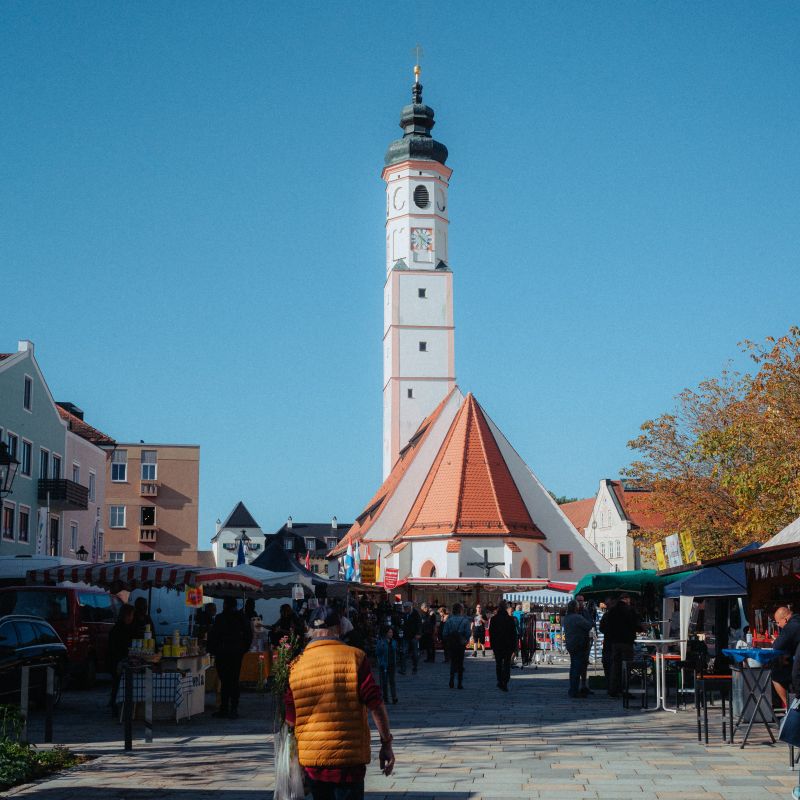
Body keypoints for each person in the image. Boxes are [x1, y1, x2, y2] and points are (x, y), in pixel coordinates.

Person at [285, 606, 395, 800]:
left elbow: (291, 720)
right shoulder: (355, 657)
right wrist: (386, 743)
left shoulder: (296, 665)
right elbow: (375, 704)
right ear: (339, 628)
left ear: (309, 630)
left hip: (313, 760)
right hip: (348, 762)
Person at [207, 596, 253, 719]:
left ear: (225, 605)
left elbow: (213, 636)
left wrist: (213, 650)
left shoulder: (220, 618)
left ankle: (224, 708)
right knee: (234, 680)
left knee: (225, 681)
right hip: (236, 653)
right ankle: (233, 708)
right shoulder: (241, 617)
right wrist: (243, 649)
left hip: (222, 653)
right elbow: (249, 634)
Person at [599, 594, 642, 697]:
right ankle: (625, 690)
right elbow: (635, 625)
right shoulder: (629, 610)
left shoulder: (611, 612)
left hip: (614, 643)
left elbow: (605, 627)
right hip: (626, 642)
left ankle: (613, 690)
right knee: (626, 667)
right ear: (626, 600)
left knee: (615, 666)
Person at [107, 603, 135, 716]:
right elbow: (115, 647)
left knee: (118, 684)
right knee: (117, 684)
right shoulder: (118, 629)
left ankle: (117, 705)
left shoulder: (128, 628)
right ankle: (115, 705)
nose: (131, 618)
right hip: (116, 660)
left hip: (121, 659)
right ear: (125, 615)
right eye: (130, 615)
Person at [563, 600, 594, 698]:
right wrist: (587, 614)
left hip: (571, 645)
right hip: (579, 645)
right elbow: (589, 625)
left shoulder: (567, 617)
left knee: (573, 668)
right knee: (577, 668)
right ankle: (574, 691)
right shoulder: (577, 617)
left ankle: (572, 689)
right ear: (575, 608)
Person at [772, 606, 800, 706]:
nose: (778, 625)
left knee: (776, 676)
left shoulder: (791, 626)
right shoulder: (797, 620)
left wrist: (776, 640)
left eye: (778, 622)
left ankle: (791, 708)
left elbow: (777, 646)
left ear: (785, 619)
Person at [488, 600, 516, 691]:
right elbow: (514, 634)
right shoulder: (510, 619)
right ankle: (505, 681)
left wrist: (492, 645)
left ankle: (500, 681)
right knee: (507, 664)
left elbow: (491, 633)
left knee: (499, 663)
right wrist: (514, 646)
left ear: (499, 608)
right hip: (508, 645)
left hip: (497, 645)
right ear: (506, 609)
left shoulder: (494, 619)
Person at [442, 602, 471, 689]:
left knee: (453, 662)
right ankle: (459, 683)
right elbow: (468, 633)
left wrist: (449, 640)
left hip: (452, 644)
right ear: (461, 610)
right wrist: (465, 640)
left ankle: (451, 680)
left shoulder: (449, 620)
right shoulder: (465, 620)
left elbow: (444, 633)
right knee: (460, 662)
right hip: (461, 644)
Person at [576, 595, 596, 694]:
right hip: (576, 641)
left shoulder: (585, 611)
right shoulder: (573, 613)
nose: (581, 602)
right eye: (579, 600)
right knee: (576, 664)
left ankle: (583, 685)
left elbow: (591, 623)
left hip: (586, 640)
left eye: (582, 601)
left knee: (584, 664)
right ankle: (575, 686)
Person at [375, 624, 398, 704]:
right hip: (383, 665)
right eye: (389, 632)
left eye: (391, 632)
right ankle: (385, 698)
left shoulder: (394, 642)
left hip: (392, 664)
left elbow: (395, 651)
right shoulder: (381, 642)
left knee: (392, 681)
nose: (391, 634)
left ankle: (394, 697)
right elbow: (377, 653)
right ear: (385, 633)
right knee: (384, 682)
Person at [400, 602, 421, 674]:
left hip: (414, 636)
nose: (405, 609)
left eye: (406, 608)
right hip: (406, 635)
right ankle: (403, 669)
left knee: (414, 653)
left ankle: (415, 667)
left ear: (410, 608)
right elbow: (402, 623)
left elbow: (419, 624)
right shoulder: (404, 614)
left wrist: (418, 633)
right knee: (404, 652)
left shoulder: (415, 613)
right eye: (404, 608)